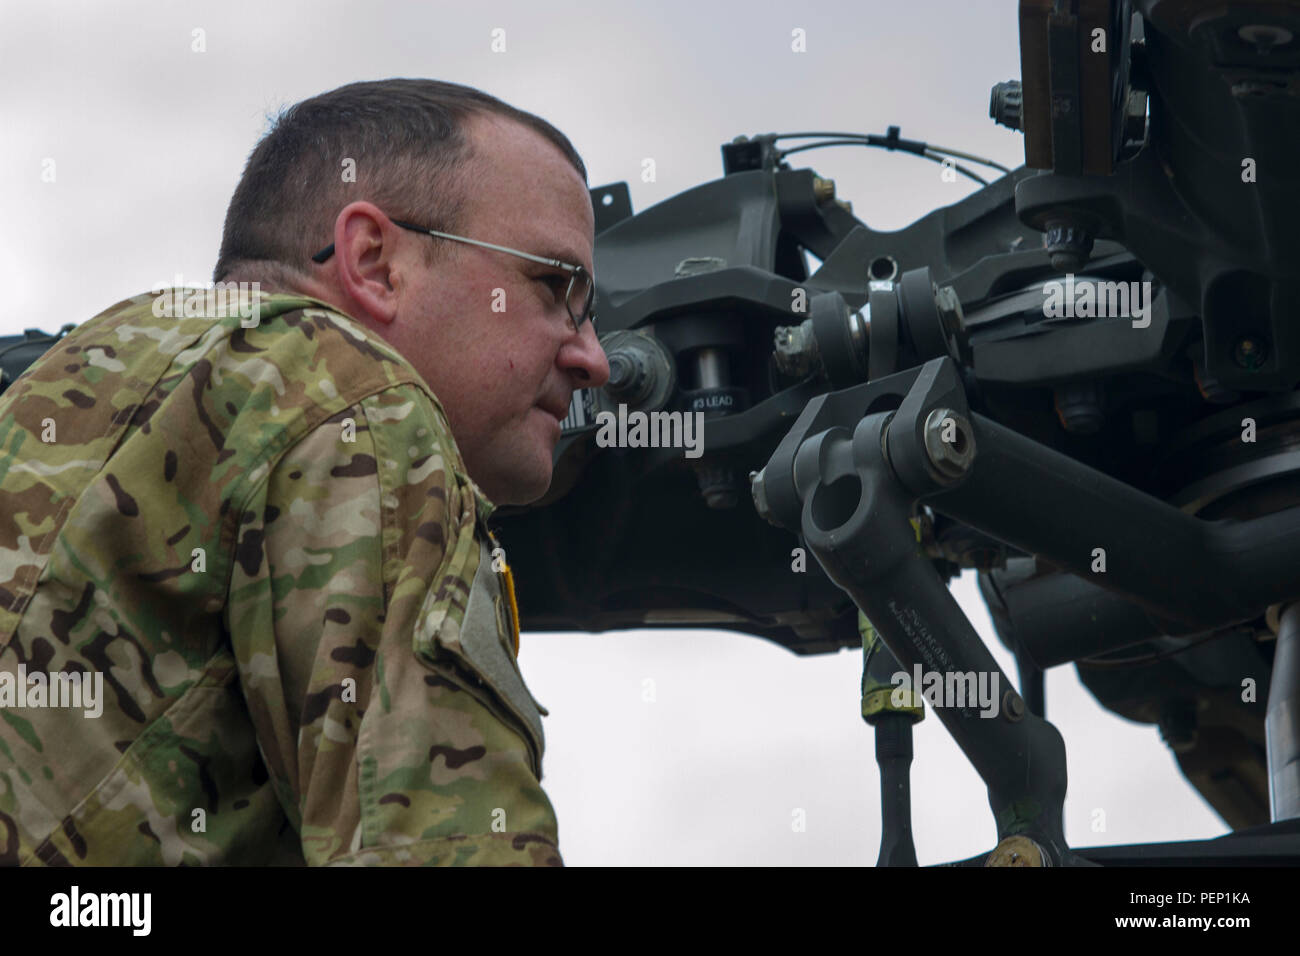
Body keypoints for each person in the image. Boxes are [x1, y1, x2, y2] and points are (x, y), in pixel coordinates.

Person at [0, 78, 609, 866]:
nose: (591, 357)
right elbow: (436, 849)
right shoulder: (356, 395)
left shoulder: (64, 384)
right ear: (374, 262)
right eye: (556, 286)